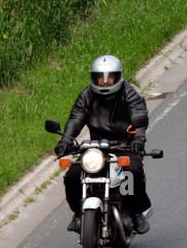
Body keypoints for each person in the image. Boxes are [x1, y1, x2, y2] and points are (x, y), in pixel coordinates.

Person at [54, 54, 152, 234]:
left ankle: (136, 212)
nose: (105, 82)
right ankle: (78, 213)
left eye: (109, 78)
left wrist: (138, 139)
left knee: (130, 173)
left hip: (124, 146)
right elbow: (76, 118)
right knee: (73, 175)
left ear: (118, 77)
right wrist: (66, 140)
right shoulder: (87, 95)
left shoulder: (130, 94)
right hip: (95, 148)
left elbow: (139, 117)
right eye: (101, 78)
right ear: (94, 78)